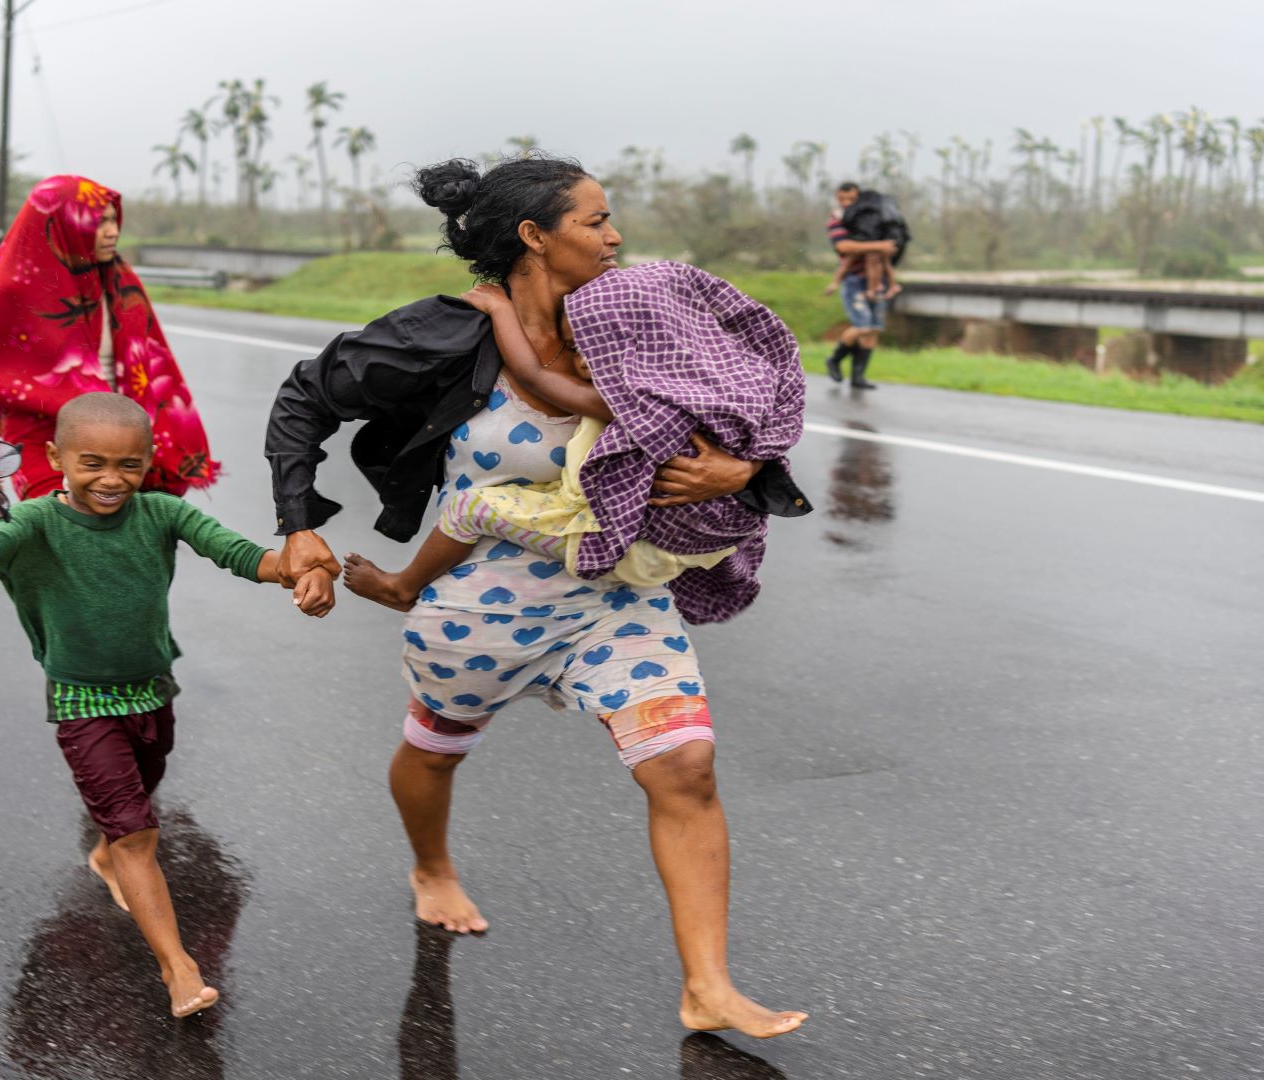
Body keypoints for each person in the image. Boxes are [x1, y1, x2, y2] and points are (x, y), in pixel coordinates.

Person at [266, 154, 811, 1039]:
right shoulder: (446, 334)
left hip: (615, 596)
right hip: (482, 599)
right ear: (534, 237)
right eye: (594, 221)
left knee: (685, 766)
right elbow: (304, 397)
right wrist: (299, 522)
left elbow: (742, 406)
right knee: (437, 748)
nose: (615, 235)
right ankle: (431, 866)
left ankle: (707, 985)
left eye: (611, 219)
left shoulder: (638, 316)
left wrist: (744, 470)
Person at [0, 392, 333, 1019]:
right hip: (80, 697)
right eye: (92, 463)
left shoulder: (159, 512)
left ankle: (107, 852)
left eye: (127, 465)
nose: (110, 480)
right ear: (56, 457)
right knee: (138, 835)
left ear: (149, 460)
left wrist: (300, 575)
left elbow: (241, 554)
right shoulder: (35, 523)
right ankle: (178, 969)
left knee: (146, 784)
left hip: (152, 688)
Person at [342, 260, 808, 625]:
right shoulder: (707, 391)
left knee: (471, 508)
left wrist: (501, 309)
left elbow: (533, 375)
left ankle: (401, 588)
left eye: (592, 348)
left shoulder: (638, 402)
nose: (582, 364)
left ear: (641, 346)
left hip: (630, 548)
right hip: (683, 545)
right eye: (575, 350)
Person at [0, 175, 218, 501]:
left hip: (120, 430)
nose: (112, 232)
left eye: (113, 220)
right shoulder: (14, 288)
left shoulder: (120, 279)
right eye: (98, 222)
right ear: (62, 224)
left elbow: (152, 362)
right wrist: (60, 397)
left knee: (136, 536)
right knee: (57, 530)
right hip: (43, 432)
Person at [822, 181, 905, 390]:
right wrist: (879, 245)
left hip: (877, 281)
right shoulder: (838, 219)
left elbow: (892, 247)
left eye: (851, 199)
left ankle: (858, 376)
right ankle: (835, 359)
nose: (847, 203)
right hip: (854, 279)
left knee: (873, 330)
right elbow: (844, 247)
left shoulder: (872, 218)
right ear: (837, 198)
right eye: (842, 199)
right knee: (863, 326)